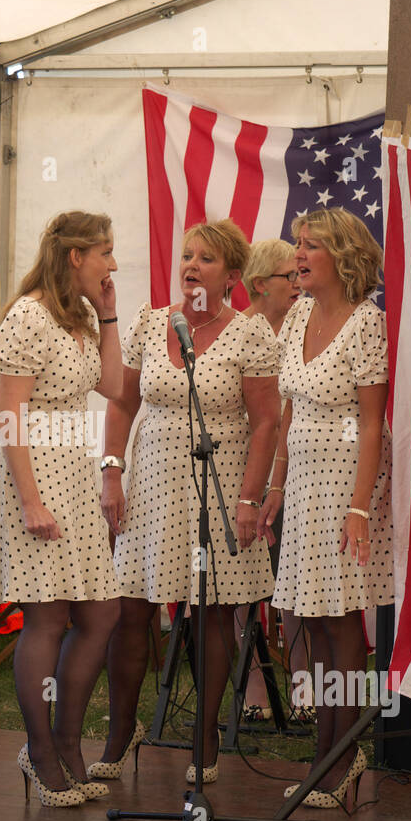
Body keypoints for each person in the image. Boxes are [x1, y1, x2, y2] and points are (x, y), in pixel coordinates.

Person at [97, 219, 279, 784]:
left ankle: (205, 742)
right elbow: (123, 404)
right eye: (186, 256)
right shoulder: (152, 324)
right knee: (131, 610)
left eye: (205, 259)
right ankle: (120, 737)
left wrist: (251, 498)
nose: (190, 267)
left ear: (231, 275)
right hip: (150, 486)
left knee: (211, 613)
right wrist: (111, 471)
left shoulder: (249, 335)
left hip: (218, 490)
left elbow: (267, 421)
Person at [0, 211, 124, 807]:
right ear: (74, 255)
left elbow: (111, 386)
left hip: (75, 472)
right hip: (31, 471)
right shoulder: (28, 314)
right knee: (49, 618)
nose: (112, 264)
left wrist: (108, 314)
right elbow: (9, 414)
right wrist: (30, 501)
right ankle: (40, 751)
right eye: (105, 253)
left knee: (101, 613)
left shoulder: (81, 314)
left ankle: (66, 738)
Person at [258, 207, 392, 810]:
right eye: (297, 245)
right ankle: (332, 751)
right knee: (311, 620)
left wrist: (360, 509)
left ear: (343, 256)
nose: (298, 257)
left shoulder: (368, 324)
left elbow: (372, 426)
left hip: (345, 485)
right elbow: (286, 411)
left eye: (310, 246)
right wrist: (276, 486)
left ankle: (337, 759)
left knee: (341, 624)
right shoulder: (299, 315)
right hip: (305, 484)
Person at [239, 238, 310, 723]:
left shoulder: (309, 327)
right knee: (243, 592)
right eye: (290, 277)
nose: (298, 285)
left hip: (296, 475)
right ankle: (254, 693)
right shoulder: (238, 331)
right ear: (260, 283)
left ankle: (305, 694)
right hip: (244, 474)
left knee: (296, 589)